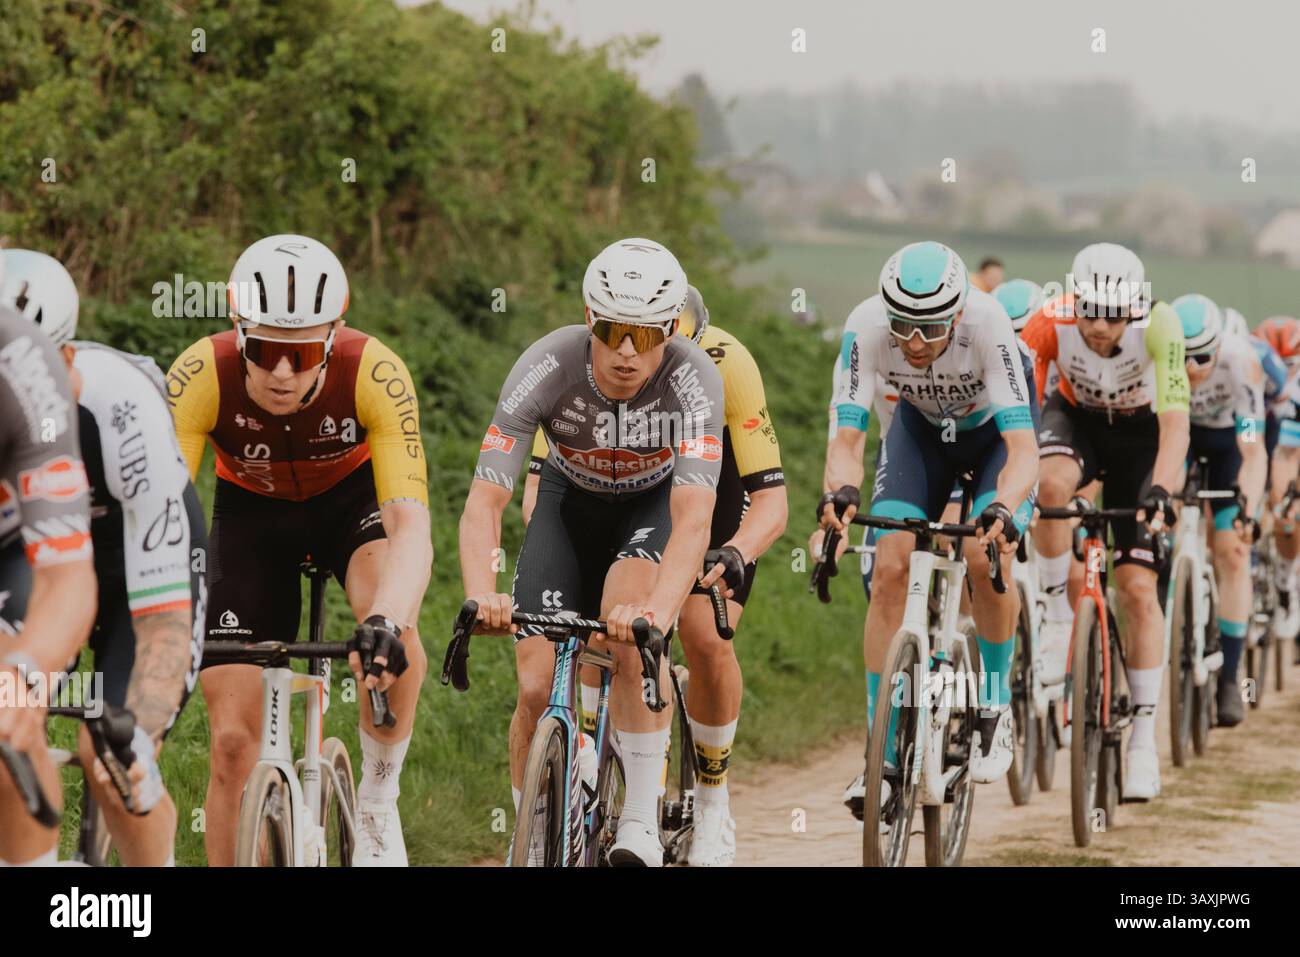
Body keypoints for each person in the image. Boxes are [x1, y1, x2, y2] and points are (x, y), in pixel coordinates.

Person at [168, 234, 432, 866]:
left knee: (394, 624)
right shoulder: (201, 372)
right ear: (239, 335)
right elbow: (161, 517)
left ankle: (376, 795)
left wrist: (387, 621)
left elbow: (410, 528)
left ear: (333, 337)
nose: (282, 372)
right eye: (263, 351)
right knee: (233, 741)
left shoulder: (374, 369)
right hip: (253, 516)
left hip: (351, 508)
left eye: (305, 351)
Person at [461, 237, 724, 867]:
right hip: (566, 503)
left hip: (650, 509)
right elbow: (485, 501)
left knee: (628, 622)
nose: (627, 353)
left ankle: (638, 816)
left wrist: (660, 612)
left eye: (646, 334)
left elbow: (693, 519)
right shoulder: (546, 365)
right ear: (589, 320)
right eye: (611, 331)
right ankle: (530, 828)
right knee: (532, 686)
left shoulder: (694, 378)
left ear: (671, 328)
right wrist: (481, 589)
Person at [519, 286, 787, 866]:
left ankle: (712, 803)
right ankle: (590, 743)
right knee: (600, 612)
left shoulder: (725, 363)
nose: (644, 372)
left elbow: (771, 498)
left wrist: (736, 551)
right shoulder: (587, 366)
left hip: (712, 494)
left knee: (704, 635)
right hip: (628, 491)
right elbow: (540, 486)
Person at [821, 240, 1039, 826]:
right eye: (903, 327)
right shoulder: (864, 327)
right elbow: (847, 440)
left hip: (995, 438)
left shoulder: (988, 324)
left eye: (930, 328)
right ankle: (882, 753)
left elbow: (1022, 450)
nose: (914, 343)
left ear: (957, 314)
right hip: (920, 435)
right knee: (890, 567)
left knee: (979, 551)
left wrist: (1005, 510)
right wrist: (838, 496)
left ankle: (995, 706)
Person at [0, 249, 205, 866]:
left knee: (112, 758)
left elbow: (165, 613)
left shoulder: (122, 407)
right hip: (28, 554)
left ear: (64, 360)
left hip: (134, 561)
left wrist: (136, 728)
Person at [1021, 243, 1190, 800]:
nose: (1097, 326)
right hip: (1079, 425)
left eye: (1112, 314)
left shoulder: (1161, 326)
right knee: (1049, 488)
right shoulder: (1051, 321)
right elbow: (1018, 406)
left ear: (1135, 308)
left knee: (1139, 588)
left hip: (1142, 442)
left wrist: (1162, 491)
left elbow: (1174, 425)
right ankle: (1054, 617)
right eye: (1089, 309)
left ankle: (1143, 741)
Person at [0, 261, 97, 867]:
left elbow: (66, 579)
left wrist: (23, 676)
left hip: (15, 548)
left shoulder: (23, 364)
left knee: (9, 722)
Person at [1173, 294, 1266, 727]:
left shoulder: (1240, 361)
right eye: (1183, 357)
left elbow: (1254, 452)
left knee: (1232, 552)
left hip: (1230, 440)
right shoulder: (1159, 356)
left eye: (1202, 356)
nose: (1191, 368)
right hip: (1182, 435)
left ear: (1219, 345)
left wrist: (1247, 508)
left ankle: (1230, 677)